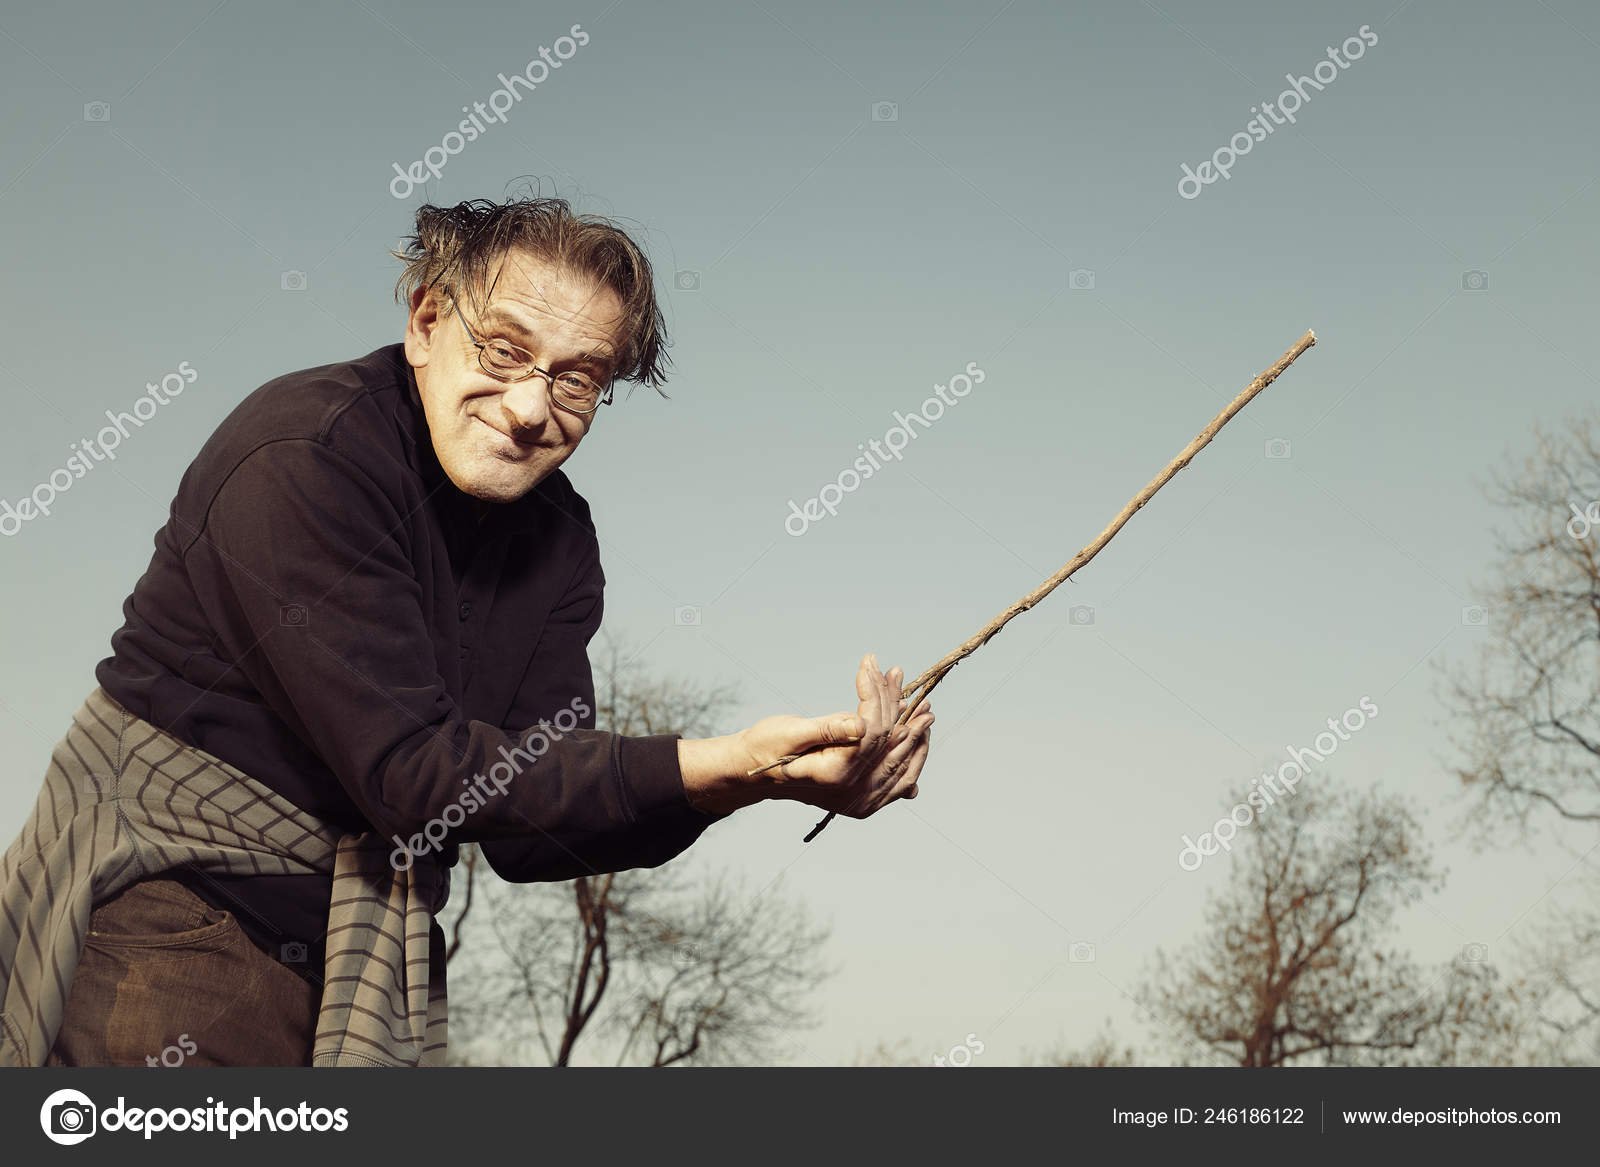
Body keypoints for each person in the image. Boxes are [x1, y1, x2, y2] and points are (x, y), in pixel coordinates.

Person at [0, 195, 934, 1067]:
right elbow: (413, 772)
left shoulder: (561, 538)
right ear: (426, 322)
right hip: (181, 911)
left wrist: (758, 783)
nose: (532, 409)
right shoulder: (305, 457)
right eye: (503, 349)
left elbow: (537, 839)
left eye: (578, 378)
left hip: (365, 942)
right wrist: (726, 759)